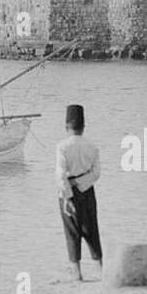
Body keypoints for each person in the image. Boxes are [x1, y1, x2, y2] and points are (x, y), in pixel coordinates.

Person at [54, 103, 102, 280]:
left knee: (72, 231)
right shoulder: (92, 146)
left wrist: (68, 194)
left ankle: (77, 272)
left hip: (68, 191)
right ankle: (100, 268)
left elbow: (60, 176)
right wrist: (80, 183)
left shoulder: (62, 146)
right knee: (91, 229)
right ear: (83, 126)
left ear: (67, 126)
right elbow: (96, 173)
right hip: (88, 190)